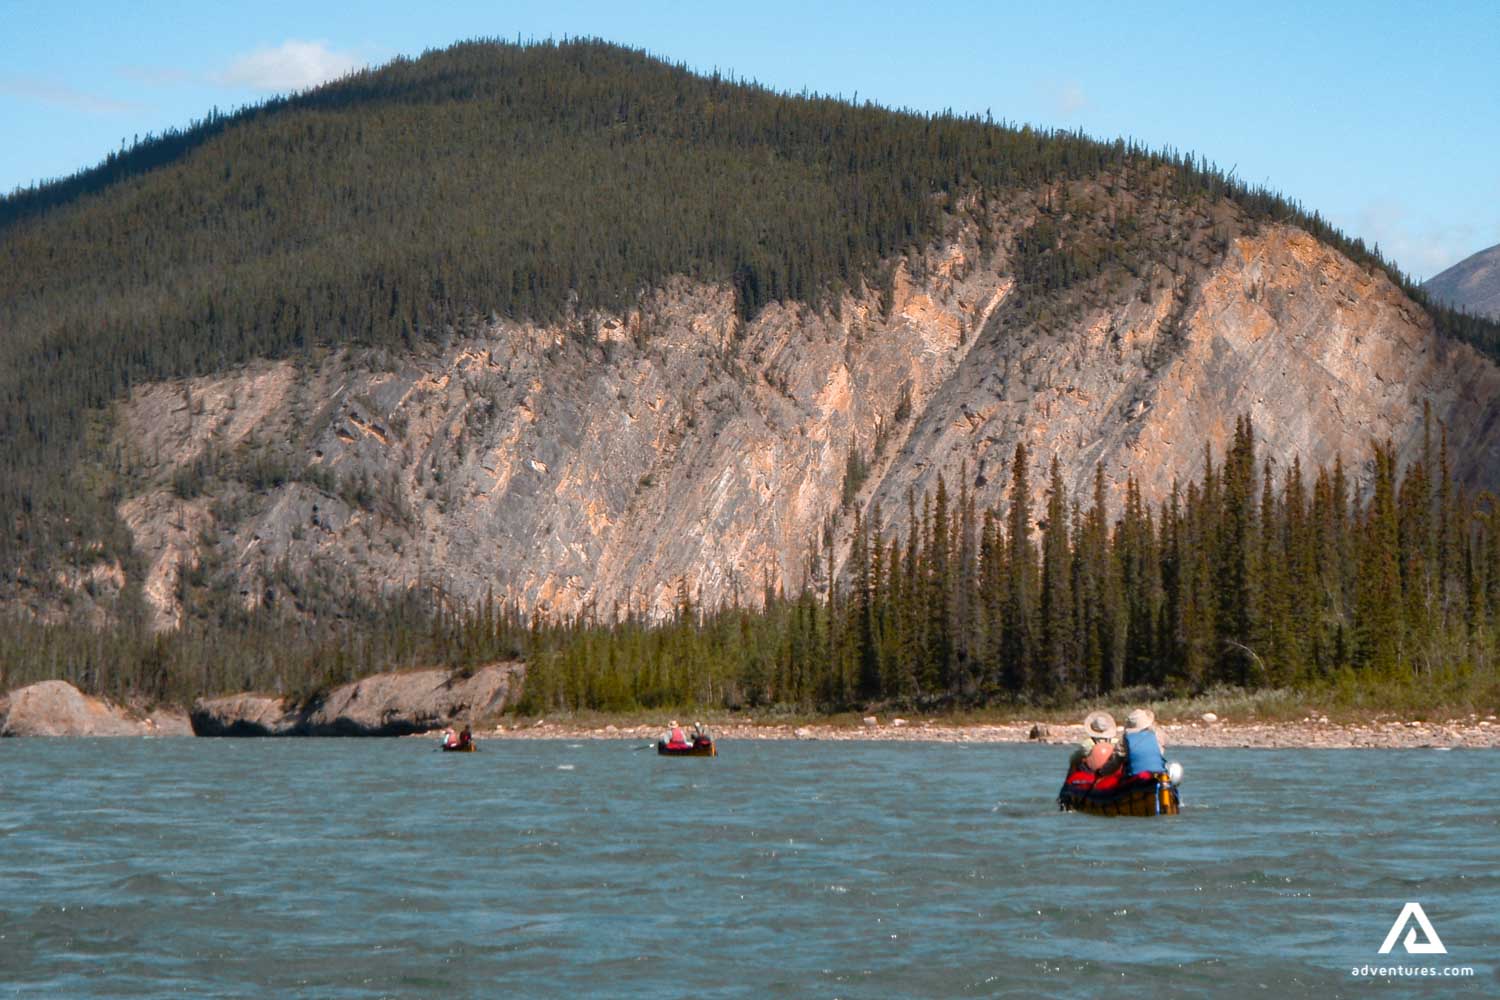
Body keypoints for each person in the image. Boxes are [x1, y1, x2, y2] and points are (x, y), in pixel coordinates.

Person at [1068, 711, 1123, 775]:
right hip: (1112, 772)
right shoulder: (1116, 742)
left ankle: (1070, 782)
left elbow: (1074, 758)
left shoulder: (1087, 743)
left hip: (1092, 772)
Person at [1122, 708, 1167, 777]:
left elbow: (1118, 759)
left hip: (1136, 778)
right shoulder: (1156, 734)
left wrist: (1102, 772)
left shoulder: (1127, 738)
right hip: (1158, 775)